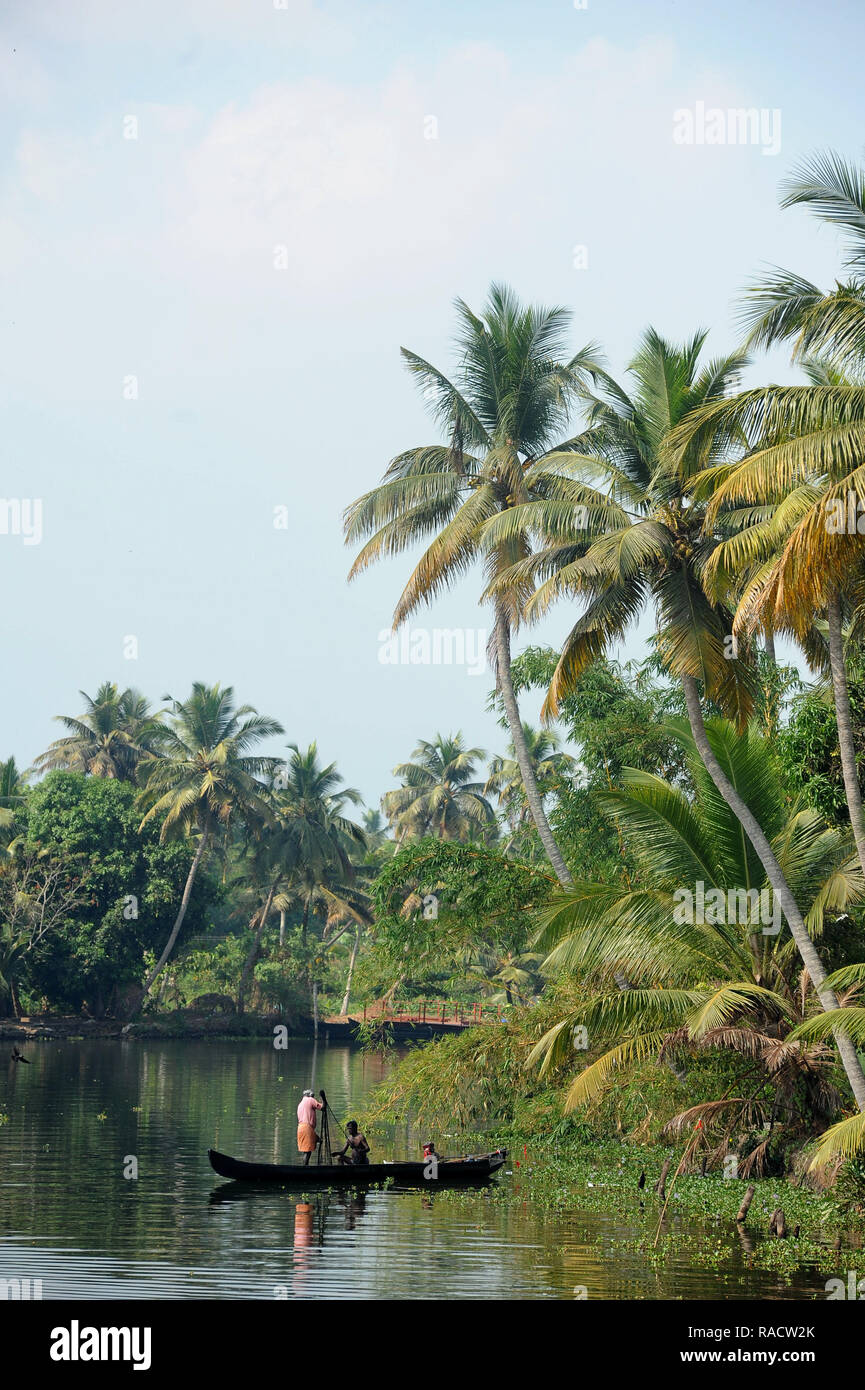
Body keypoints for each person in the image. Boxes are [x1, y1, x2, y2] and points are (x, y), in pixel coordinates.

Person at [296, 1089, 323, 1166]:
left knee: (306, 1150)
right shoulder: (310, 1099)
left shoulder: (300, 1104)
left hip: (301, 1128)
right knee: (307, 1152)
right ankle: (304, 1169)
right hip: (307, 1128)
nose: (313, 1098)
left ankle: (305, 1167)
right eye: (313, 1096)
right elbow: (322, 1107)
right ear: (309, 1095)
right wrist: (323, 1099)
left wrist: (317, 1138)